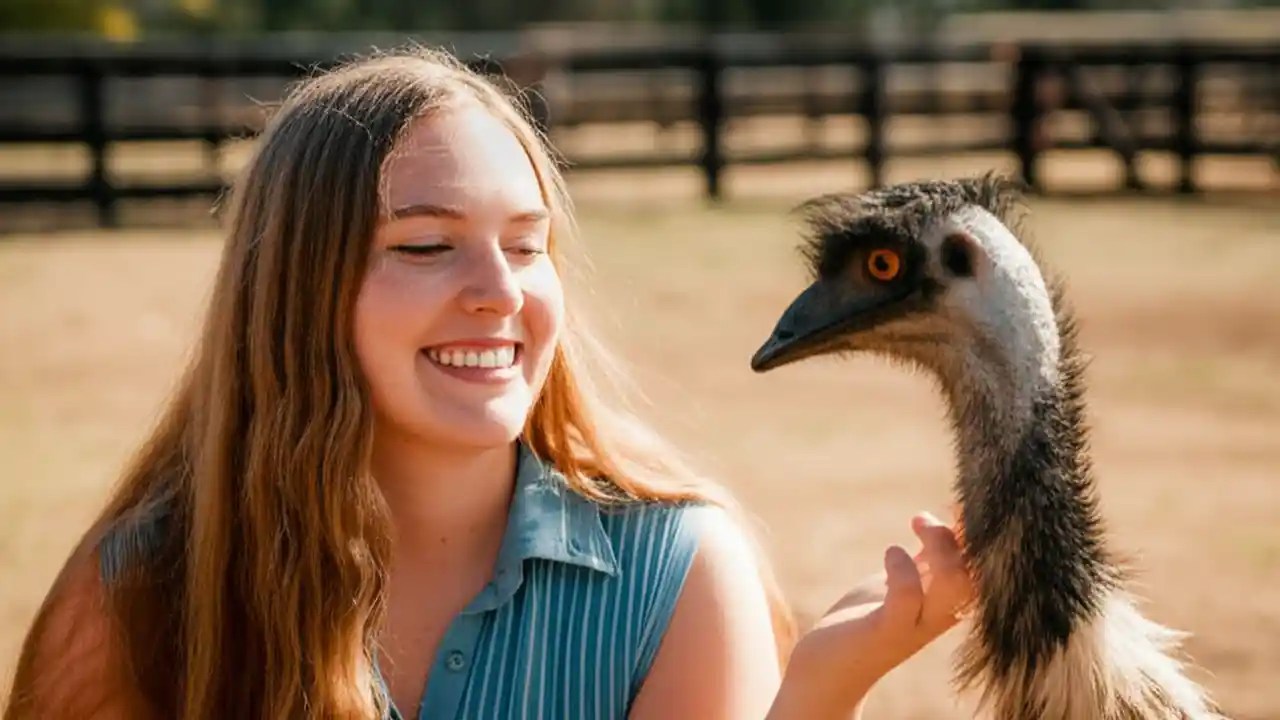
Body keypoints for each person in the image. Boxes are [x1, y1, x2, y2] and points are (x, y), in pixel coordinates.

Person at [3, 48, 973, 720]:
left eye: (525, 244)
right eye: (425, 246)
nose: (497, 292)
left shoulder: (674, 574)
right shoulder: (143, 590)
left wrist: (814, 695)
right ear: (292, 287)